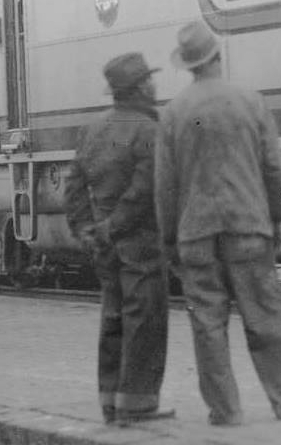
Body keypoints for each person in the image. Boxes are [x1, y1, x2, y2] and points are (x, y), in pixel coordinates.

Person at [155, 20, 281, 427]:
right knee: (265, 316)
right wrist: (278, 219)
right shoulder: (250, 101)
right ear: (218, 56)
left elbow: (165, 187)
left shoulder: (174, 113)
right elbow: (273, 169)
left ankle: (226, 410)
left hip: (196, 233)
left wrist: (169, 239)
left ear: (188, 66)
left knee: (208, 324)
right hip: (248, 225)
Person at [66, 53, 173, 427]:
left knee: (112, 316)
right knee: (144, 321)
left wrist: (86, 230)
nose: (154, 86)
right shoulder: (148, 130)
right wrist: (111, 228)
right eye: (150, 80)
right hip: (139, 241)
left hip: (103, 243)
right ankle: (137, 406)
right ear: (141, 87)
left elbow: (74, 187)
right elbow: (143, 192)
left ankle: (109, 402)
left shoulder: (92, 129)